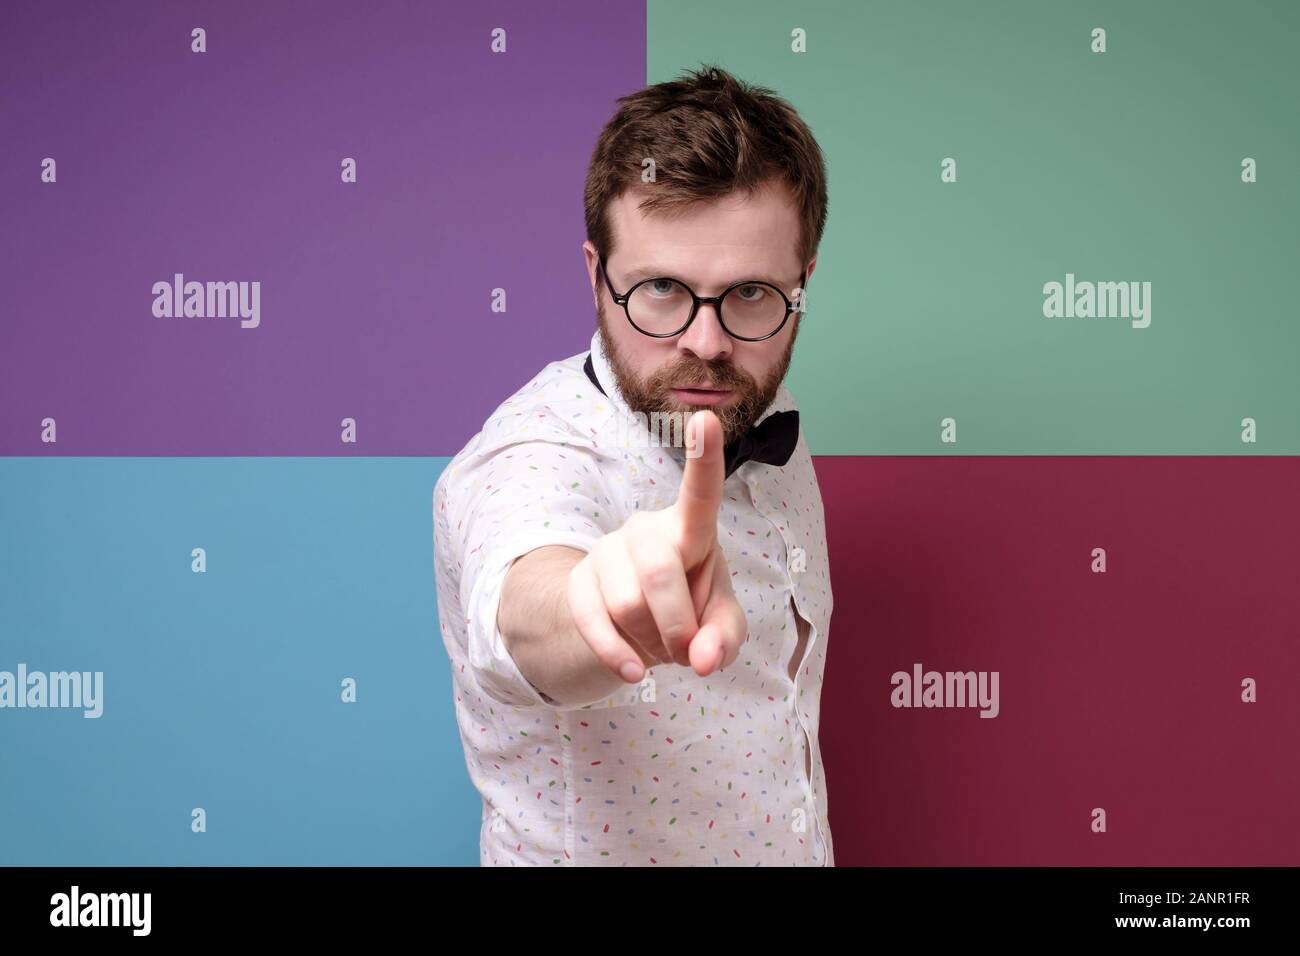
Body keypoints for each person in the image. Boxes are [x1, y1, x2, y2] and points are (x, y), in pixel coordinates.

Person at [433, 64, 832, 866]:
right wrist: (595, 604)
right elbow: (524, 612)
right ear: (595, 276)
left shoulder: (757, 409)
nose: (708, 343)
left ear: (802, 286)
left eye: (751, 294)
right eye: (660, 289)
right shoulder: (533, 453)